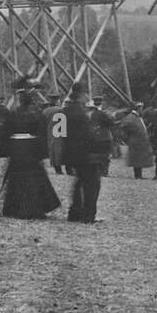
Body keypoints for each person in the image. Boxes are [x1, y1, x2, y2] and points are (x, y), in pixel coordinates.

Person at [0, 89, 62, 220]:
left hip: (16, 148)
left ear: (20, 101)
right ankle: (33, 208)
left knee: (16, 178)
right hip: (31, 148)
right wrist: (42, 152)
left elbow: (5, 133)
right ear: (31, 102)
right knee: (34, 178)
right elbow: (42, 134)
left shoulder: (13, 114)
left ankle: (14, 208)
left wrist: (5, 150)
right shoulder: (37, 115)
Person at [62, 82, 103, 224]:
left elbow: (58, 134)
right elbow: (88, 136)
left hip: (70, 154)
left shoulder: (63, 112)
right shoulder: (82, 114)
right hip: (84, 155)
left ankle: (74, 213)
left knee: (79, 182)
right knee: (92, 184)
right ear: (81, 96)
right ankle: (88, 215)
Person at [118, 103, 154, 178]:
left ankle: (139, 174)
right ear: (138, 108)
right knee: (137, 158)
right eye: (141, 108)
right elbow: (124, 127)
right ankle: (137, 175)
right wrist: (127, 138)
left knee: (139, 158)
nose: (142, 110)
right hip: (135, 141)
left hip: (140, 141)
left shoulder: (137, 117)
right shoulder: (131, 117)